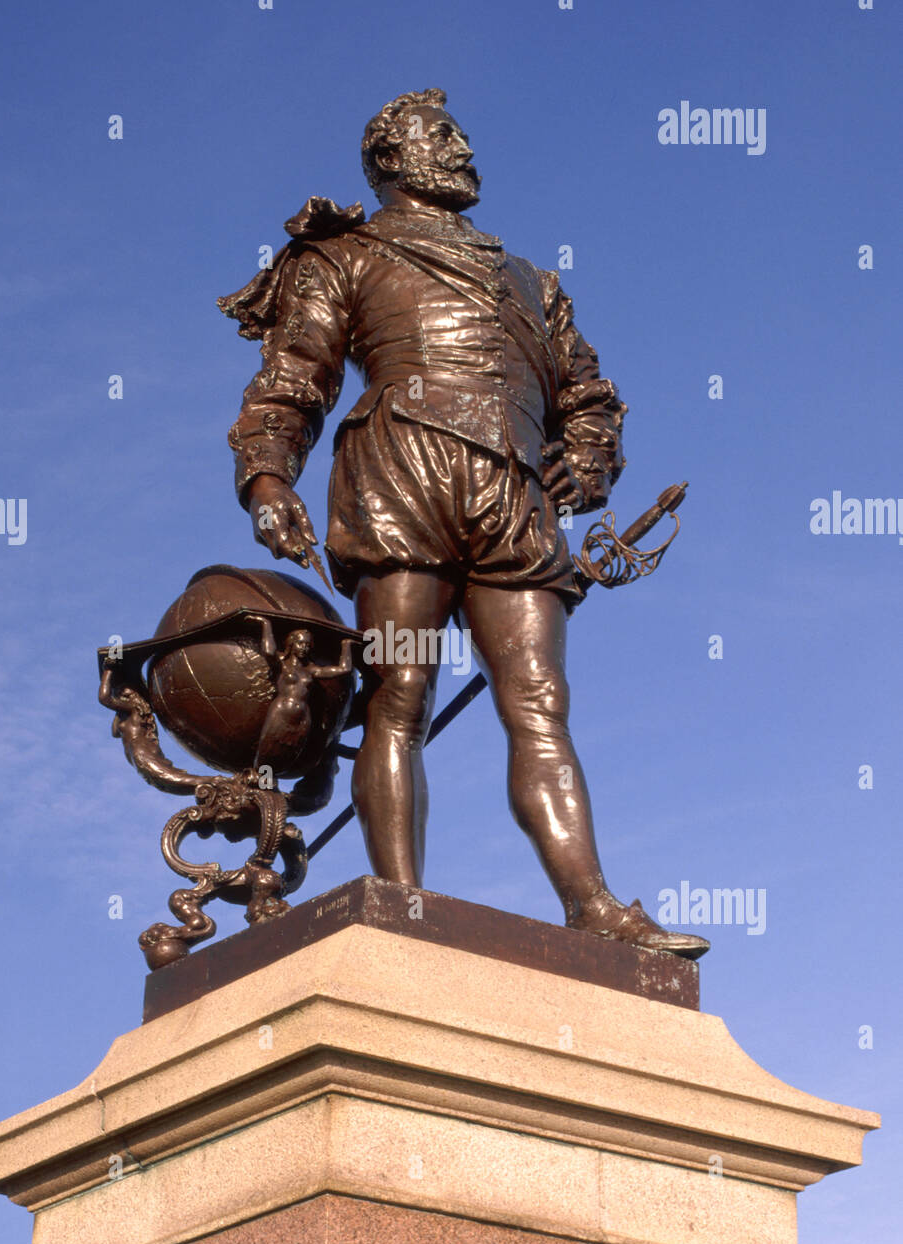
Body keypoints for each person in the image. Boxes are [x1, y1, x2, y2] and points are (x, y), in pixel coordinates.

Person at [219, 88, 708, 958]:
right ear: (391, 161)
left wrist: (588, 458)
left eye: (463, 135)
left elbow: (588, 395)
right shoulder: (345, 255)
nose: (463, 148)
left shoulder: (531, 281)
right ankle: (400, 901)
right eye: (441, 136)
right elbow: (297, 375)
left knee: (540, 703)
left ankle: (592, 906)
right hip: (401, 486)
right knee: (400, 694)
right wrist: (266, 474)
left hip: (513, 499)